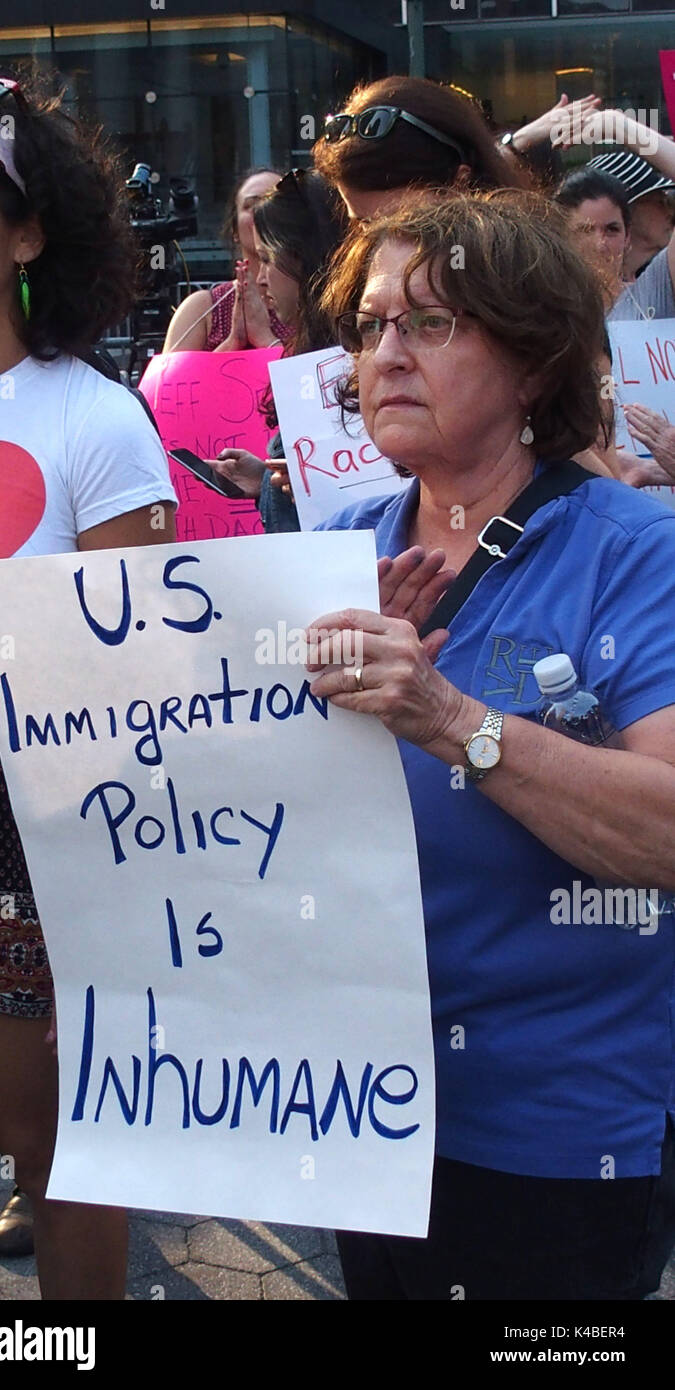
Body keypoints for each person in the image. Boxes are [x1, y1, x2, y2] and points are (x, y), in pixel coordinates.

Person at [305, 191, 675, 1300]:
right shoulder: (329, 547)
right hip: (359, 1101)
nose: (388, 353)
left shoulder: (633, 547)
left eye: (430, 323)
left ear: (530, 363)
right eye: (371, 326)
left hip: (555, 1130)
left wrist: (448, 719)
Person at [0, 73, 176, 1299]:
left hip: (35, 802)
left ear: (28, 231)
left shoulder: (94, 421)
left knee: (58, 1142)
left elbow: (141, 672)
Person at [210, 169, 347, 528]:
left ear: (304, 257)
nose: (260, 277)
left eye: (268, 259)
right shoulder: (322, 348)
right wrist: (266, 482)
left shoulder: (351, 358)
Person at [312, 74, 530, 223]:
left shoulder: (518, 276)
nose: (378, 244)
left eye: (404, 223)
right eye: (363, 225)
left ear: (460, 184)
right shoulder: (346, 271)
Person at [555, 109, 675, 322]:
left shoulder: (652, 290)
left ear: (627, 233)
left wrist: (616, 124)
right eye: (585, 230)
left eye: (612, 229)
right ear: (563, 237)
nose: (600, 244)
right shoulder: (542, 310)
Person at [163, 168, 290, 353]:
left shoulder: (318, 306)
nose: (263, 212)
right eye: (252, 204)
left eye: (274, 201)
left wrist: (266, 340)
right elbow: (170, 381)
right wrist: (232, 344)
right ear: (234, 230)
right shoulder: (201, 309)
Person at [587, 148, 675, 279]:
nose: (670, 212)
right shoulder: (586, 294)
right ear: (625, 213)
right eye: (659, 202)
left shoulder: (657, 278)